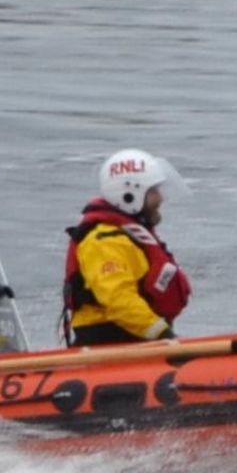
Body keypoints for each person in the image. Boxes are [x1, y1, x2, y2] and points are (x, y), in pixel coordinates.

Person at [61, 148, 191, 346]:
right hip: (110, 341)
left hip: (135, 339)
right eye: (153, 192)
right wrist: (164, 335)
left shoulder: (130, 237)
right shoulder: (105, 242)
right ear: (130, 194)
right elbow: (118, 300)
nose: (160, 199)